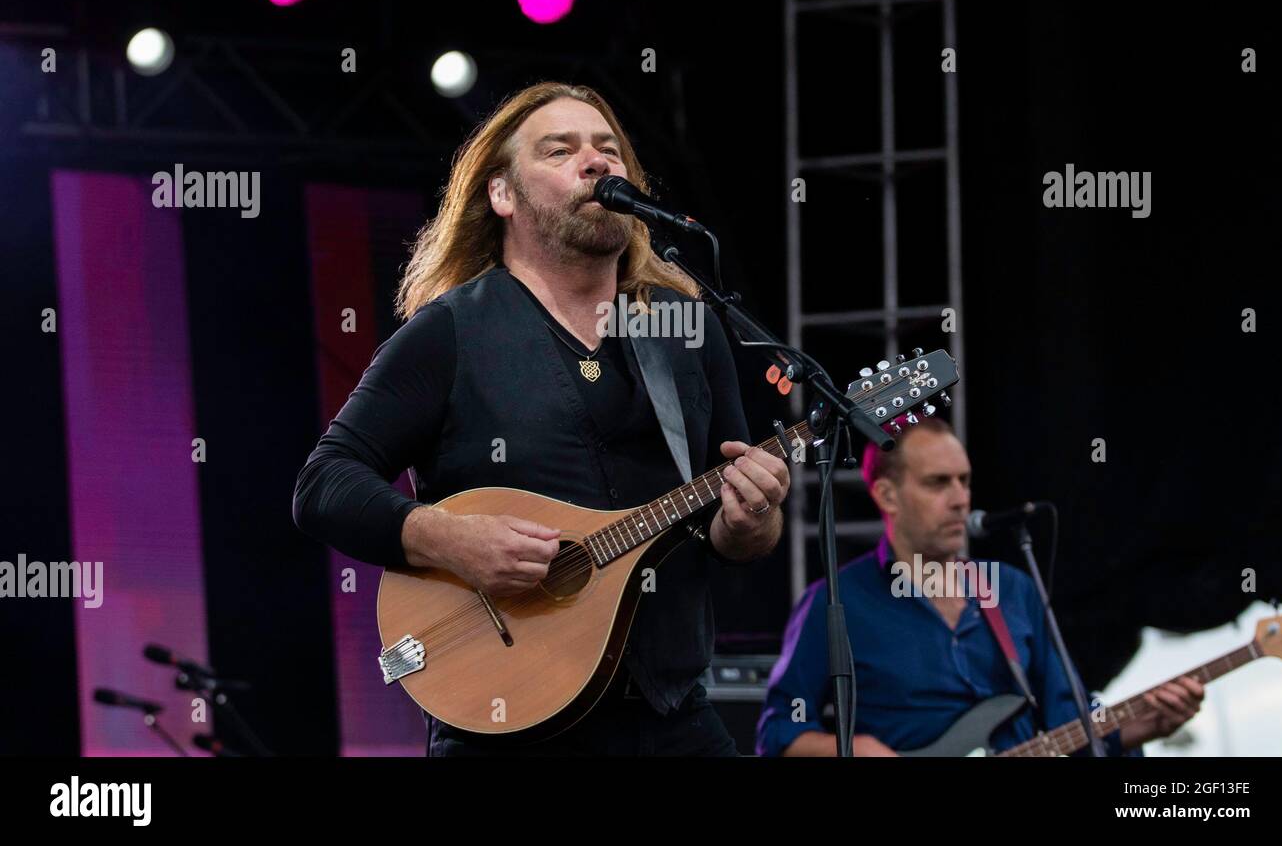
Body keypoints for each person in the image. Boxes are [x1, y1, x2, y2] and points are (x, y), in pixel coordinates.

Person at [293, 81, 790, 756]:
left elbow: (731, 531)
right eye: (560, 150)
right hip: (504, 722)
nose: (596, 162)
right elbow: (323, 484)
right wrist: (448, 539)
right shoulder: (449, 334)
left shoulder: (684, 329)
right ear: (502, 194)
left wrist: (753, 519)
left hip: (672, 716)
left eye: (609, 149)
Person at [755, 417, 1202, 756]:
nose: (960, 498)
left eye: (964, 481)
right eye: (938, 483)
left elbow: (1069, 718)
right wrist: (858, 750)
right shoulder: (836, 601)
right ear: (888, 495)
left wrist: (1140, 727)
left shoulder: (1011, 590)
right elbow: (778, 731)